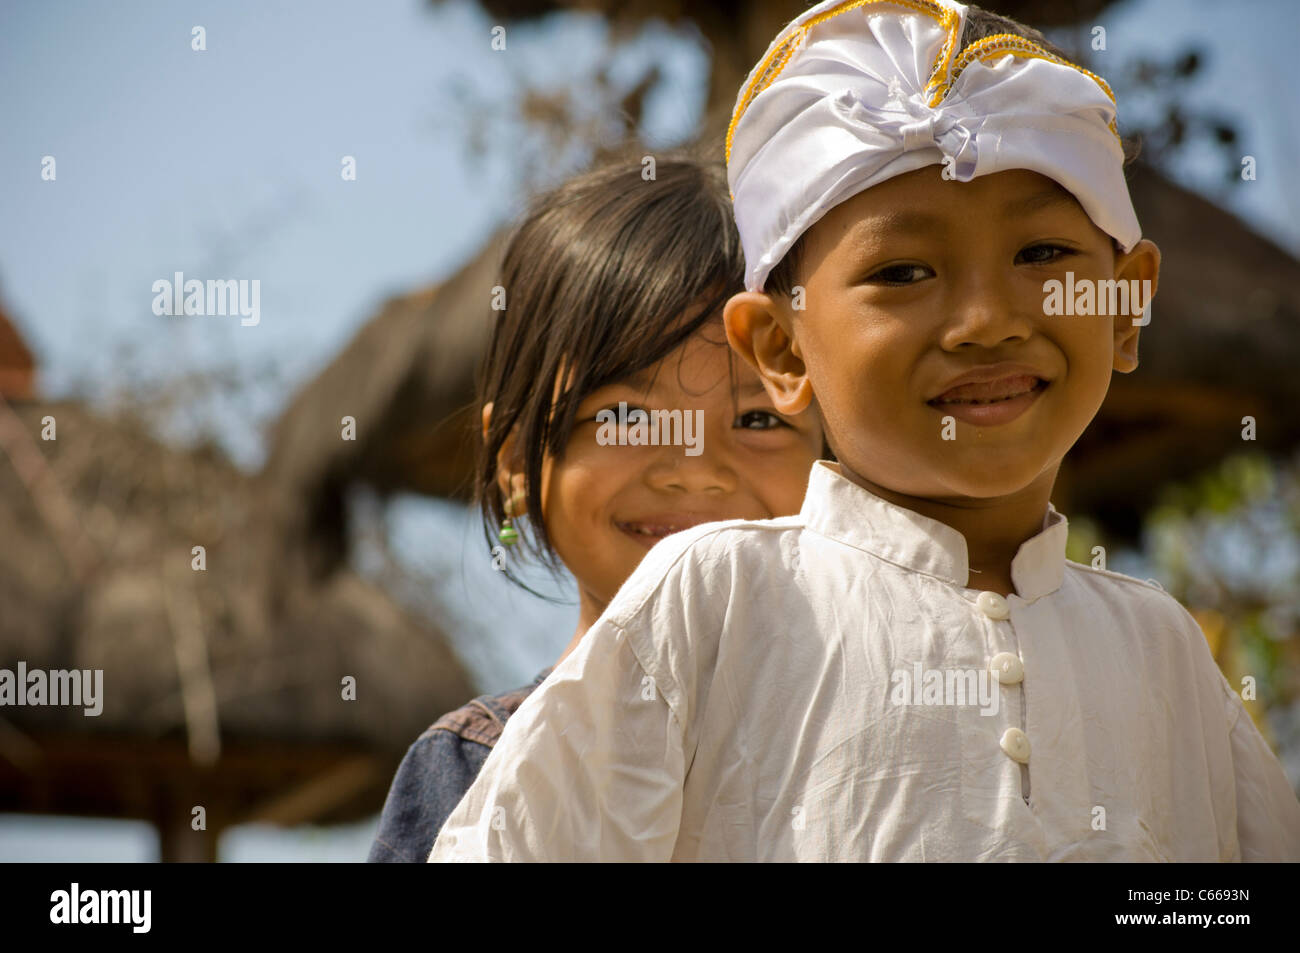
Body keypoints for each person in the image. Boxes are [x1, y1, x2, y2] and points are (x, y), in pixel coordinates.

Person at [428, 0, 1300, 861]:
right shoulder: (713, 602)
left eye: (1041, 256)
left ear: (1125, 302)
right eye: (903, 270)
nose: (986, 320)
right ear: (780, 346)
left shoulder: (1163, 652)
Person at [366, 151, 826, 862]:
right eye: (627, 417)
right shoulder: (474, 770)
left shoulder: (891, 738)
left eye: (759, 419)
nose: (695, 470)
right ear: (516, 460)